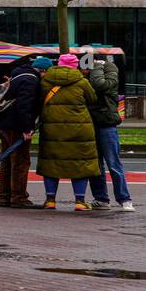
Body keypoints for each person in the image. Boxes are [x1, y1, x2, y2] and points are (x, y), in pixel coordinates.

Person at [37, 53, 101, 211]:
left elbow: (38, 100)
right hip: (79, 129)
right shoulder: (82, 82)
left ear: (58, 64)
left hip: (52, 129)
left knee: (51, 163)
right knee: (80, 164)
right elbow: (93, 99)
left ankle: (50, 200)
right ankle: (80, 201)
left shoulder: (45, 81)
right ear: (75, 66)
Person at [0, 57, 48, 209]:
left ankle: (5, 197)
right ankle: (19, 197)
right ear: (43, 71)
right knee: (21, 161)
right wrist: (26, 129)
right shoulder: (31, 81)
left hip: (4, 123)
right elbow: (25, 106)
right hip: (15, 126)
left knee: (7, 161)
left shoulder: (17, 75)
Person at [87, 57, 135, 211]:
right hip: (98, 123)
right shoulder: (103, 75)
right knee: (98, 164)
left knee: (112, 163)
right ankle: (102, 198)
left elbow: (99, 85)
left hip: (105, 123)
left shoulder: (107, 76)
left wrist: (96, 68)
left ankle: (123, 198)